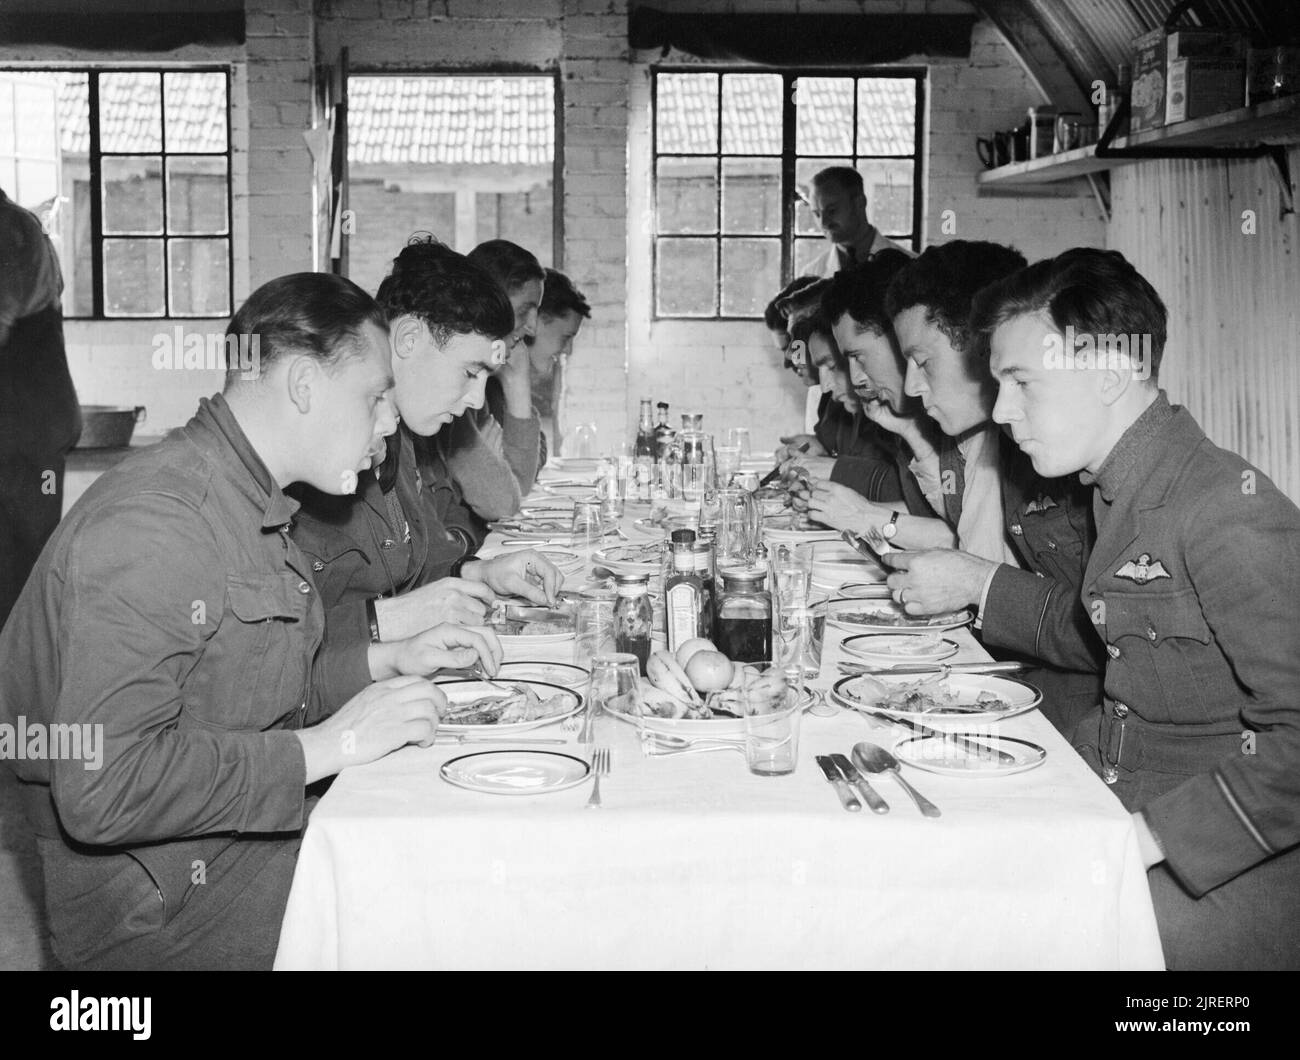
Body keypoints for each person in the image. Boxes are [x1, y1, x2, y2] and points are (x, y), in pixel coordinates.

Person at [0, 273, 502, 970]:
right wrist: (330, 747)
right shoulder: (159, 522)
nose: (390, 423)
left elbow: (255, 698)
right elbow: (104, 785)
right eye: (375, 396)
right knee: (449, 902)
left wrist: (384, 662)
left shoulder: (249, 500)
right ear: (303, 385)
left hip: (220, 844)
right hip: (163, 902)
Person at [975, 247, 1300, 970]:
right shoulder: (1118, 485)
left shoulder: (1225, 510)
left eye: (1022, 382)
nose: (1000, 412)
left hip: (1224, 853)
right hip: (1127, 790)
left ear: (1114, 371)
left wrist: (1148, 840)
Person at [291, 237, 564, 656]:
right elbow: (278, 645)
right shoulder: (316, 447)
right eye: (470, 372)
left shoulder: (397, 436)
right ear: (409, 338)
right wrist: (393, 621)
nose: (476, 399)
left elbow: (410, 570)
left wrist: (481, 572)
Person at [876, 241, 1104, 733]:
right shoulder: (1007, 445)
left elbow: (1106, 634)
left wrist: (978, 584)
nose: (912, 386)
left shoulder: (1060, 454)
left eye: (923, 361)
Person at [796, 254, 953, 544]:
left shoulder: (961, 417)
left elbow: (969, 543)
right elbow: (940, 518)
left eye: (855, 357)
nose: (855, 379)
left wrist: (863, 516)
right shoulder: (901, 417)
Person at [0, 185, 81, 631]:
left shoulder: (10, 229)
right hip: (26, 431)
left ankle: (21, 693)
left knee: (21, 577)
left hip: (24, 437)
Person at [525, 268, 590, 461]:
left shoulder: (514, 380)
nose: (568, 350)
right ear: (535, 322)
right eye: (566, 337)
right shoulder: (487, 387)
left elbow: (538, 456)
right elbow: (520, 472)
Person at [805, 166, 915, 279]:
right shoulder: (811, 274)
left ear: (860, 203)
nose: (823, 223)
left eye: (832, 211)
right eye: (817, 213)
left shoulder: (911, 268)